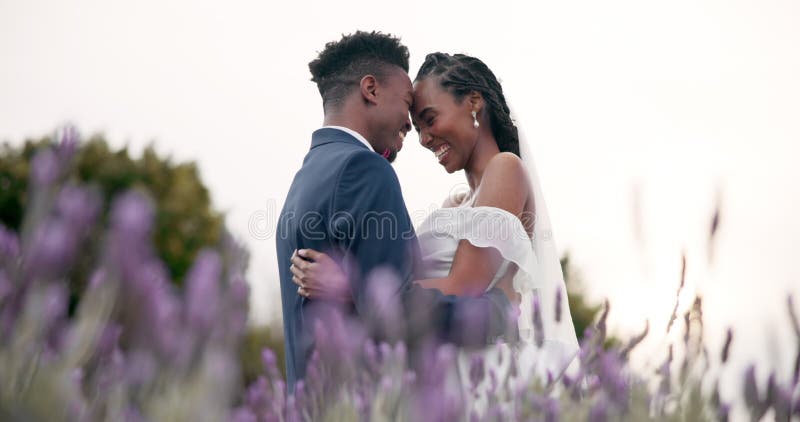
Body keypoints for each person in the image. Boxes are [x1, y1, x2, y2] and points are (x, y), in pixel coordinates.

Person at [292, 52, 580, 380]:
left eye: (429, 120)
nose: (424, 139)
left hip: (480, 371)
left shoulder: (506, 169)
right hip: (444, 368)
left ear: (474, 103)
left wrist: (354, 288)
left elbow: (465, 287)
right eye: (417, 128)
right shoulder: (457, 204)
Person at [275, 32, 519, 391]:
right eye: (408, 107)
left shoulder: (303, 181)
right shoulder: (364, 169)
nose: (412, 128)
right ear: (370, 89)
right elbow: (399, 302)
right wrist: (500, 310)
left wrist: (353, 289)